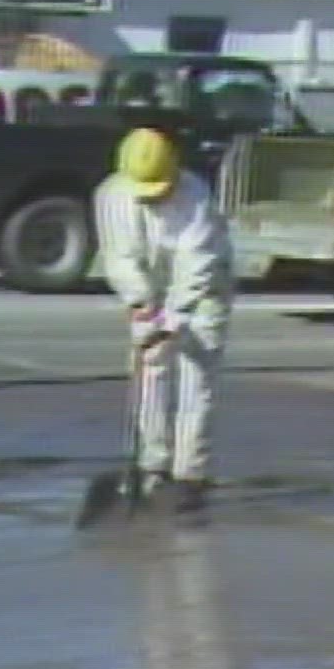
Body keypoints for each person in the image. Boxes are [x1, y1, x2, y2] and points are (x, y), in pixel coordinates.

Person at [93, 128, 237, 513]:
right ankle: (150, 465)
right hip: (151, 286)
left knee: (196, 373)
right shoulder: (111, 196)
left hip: (205, 287)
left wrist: (175, 318)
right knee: (149, 366)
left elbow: (198, 263)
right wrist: (142, 305)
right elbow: (119, 257)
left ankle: (190, 475)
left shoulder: (195, 197)